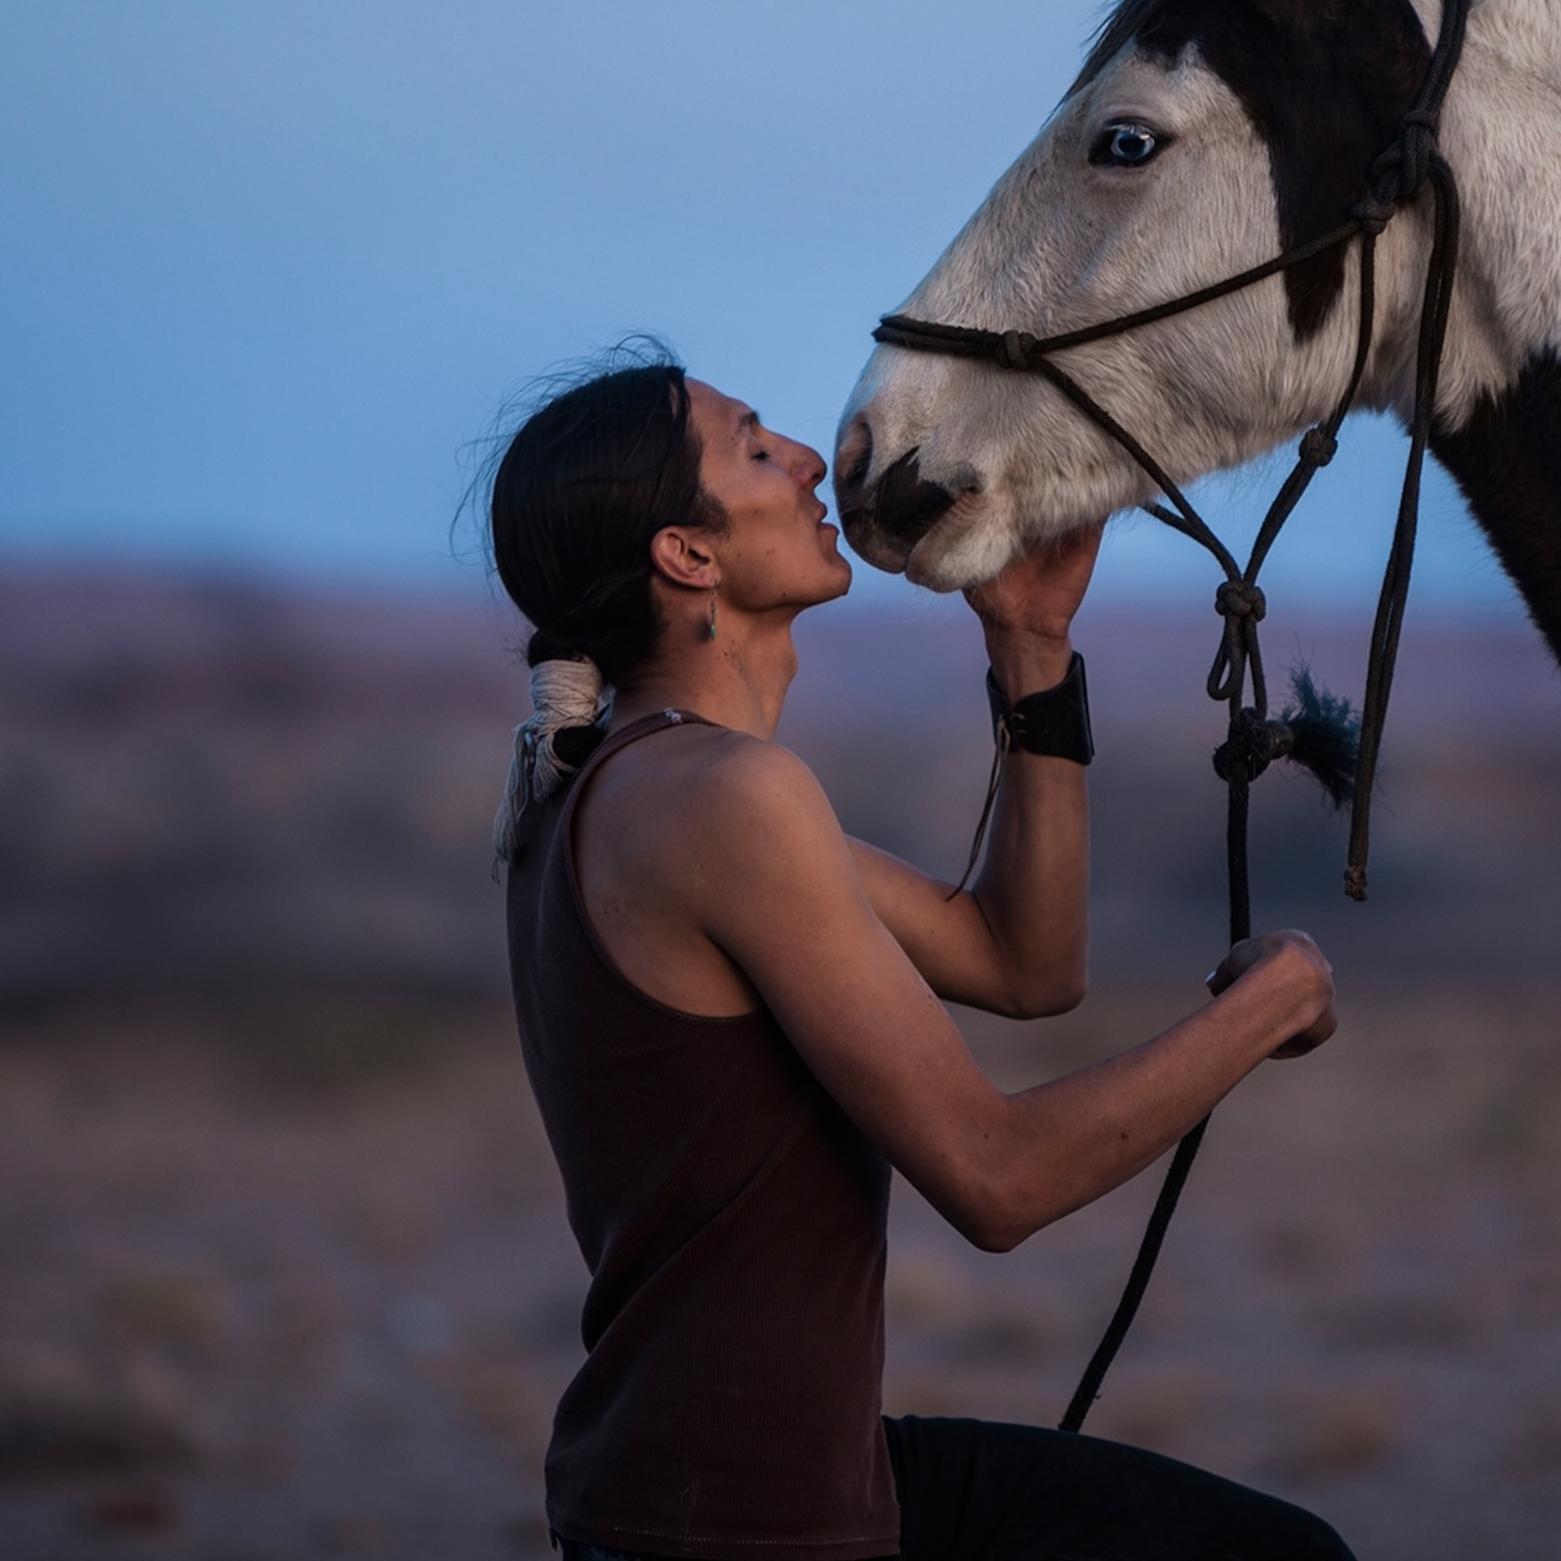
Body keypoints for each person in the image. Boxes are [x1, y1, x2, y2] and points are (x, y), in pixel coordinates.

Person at [485, 347, 1354, 1561]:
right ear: (686, 554)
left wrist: (1033, 644)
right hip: (743, 1530)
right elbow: (995, 1179)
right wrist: (1273, 1004)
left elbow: (1025, 962)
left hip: (750, 1487)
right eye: (752, 445)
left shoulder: (632, 788)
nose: (806, 460)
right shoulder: (723, 800)